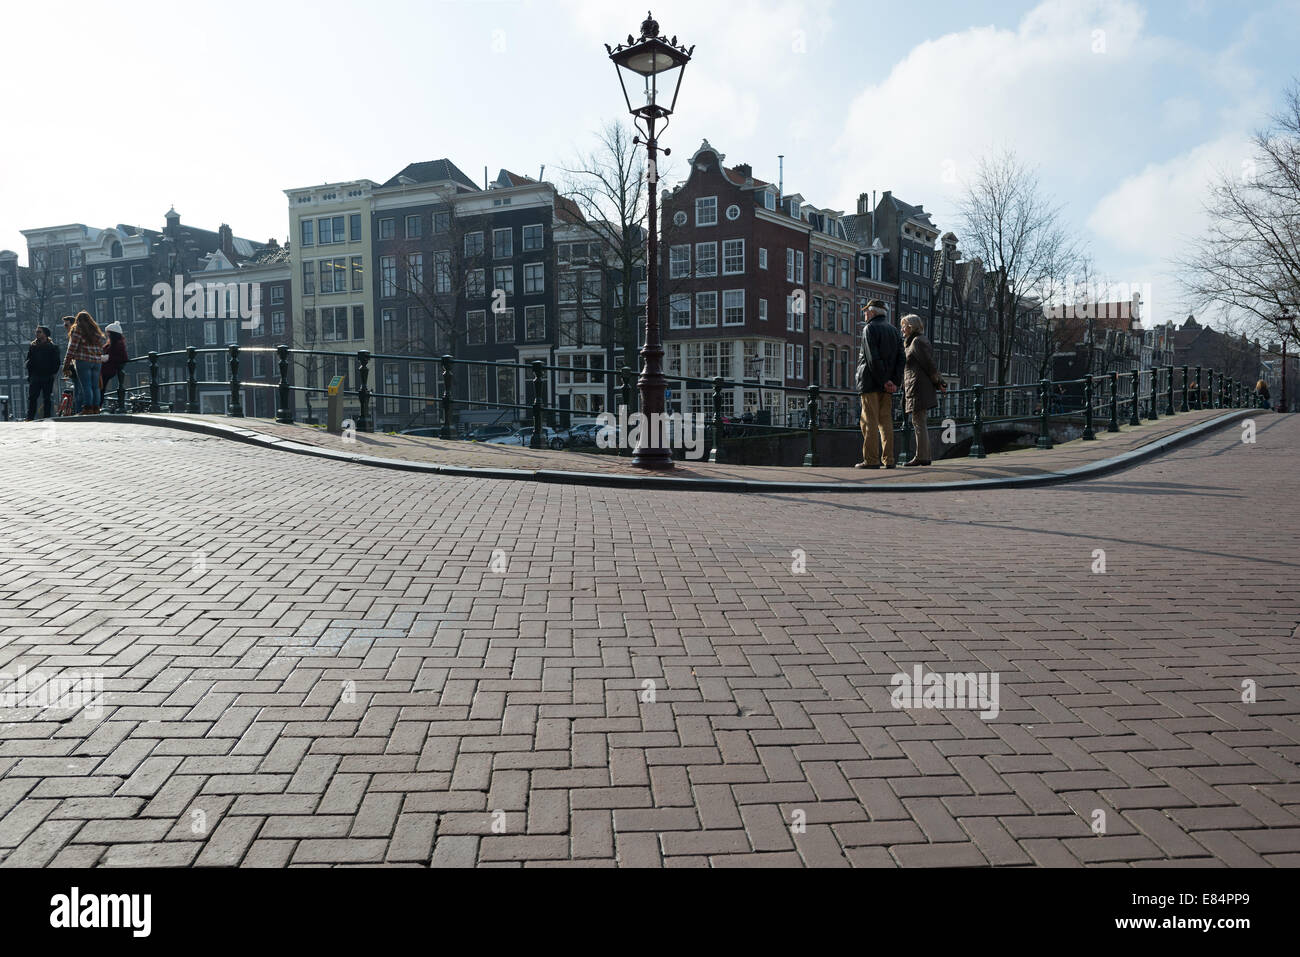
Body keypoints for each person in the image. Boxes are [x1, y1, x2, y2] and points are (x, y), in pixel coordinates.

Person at [855, 300, 905, 469]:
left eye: (866, 311)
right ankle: (889, 459)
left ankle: (871, 460)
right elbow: (901, 358)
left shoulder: (869, 328)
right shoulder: (894, 331)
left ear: (873, 312)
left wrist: (884, 380)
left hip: (870, 383)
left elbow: (872, 358)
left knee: (868, 421)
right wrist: (894, 382)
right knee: (886, 422)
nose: (864, 314)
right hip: (888, 386)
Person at [900, 314, 946, 467]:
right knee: (919, 421)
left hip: (917, 387)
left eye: (904, 326)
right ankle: (924, 456)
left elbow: (929, 364)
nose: (902, 329)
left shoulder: (917, 342)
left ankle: (922, 457)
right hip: (917, 386)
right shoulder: (915, 341)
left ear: (911, 326)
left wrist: (939, 382)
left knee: (918, 422)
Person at [62, 311, 107, 415]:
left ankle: (88, 408)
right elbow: (101, 346)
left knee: (86, 385)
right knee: (95, 386)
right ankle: (96, 408)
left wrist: (66, 364)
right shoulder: (96, 331)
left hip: (83, 360)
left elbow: (72, 348)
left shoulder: (77, 329)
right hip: (96, 362)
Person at [24, 326, 61, 421]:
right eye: (36, 332)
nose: (36, 334)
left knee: (47, 398)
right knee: (32, 397)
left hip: (47, 376)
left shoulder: (53, 347)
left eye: (39, 332)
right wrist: (30, 375)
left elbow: (57, 362)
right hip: (35, 376)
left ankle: (47, 417)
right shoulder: (33, 347)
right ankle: (30, 417)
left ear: (45, 334)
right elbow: (29, 361)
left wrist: (52, 373)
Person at [100, 321, 129, 405]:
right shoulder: (112, 343)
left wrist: (107, 358)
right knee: (100, 387)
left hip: (108, 370)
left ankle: (98, 405)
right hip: (105, 369)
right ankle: (97, 405)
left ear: (112, 334)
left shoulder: (118, 344)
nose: (107, 334)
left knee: (101, 388)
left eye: (108, 333)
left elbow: (124, 357)